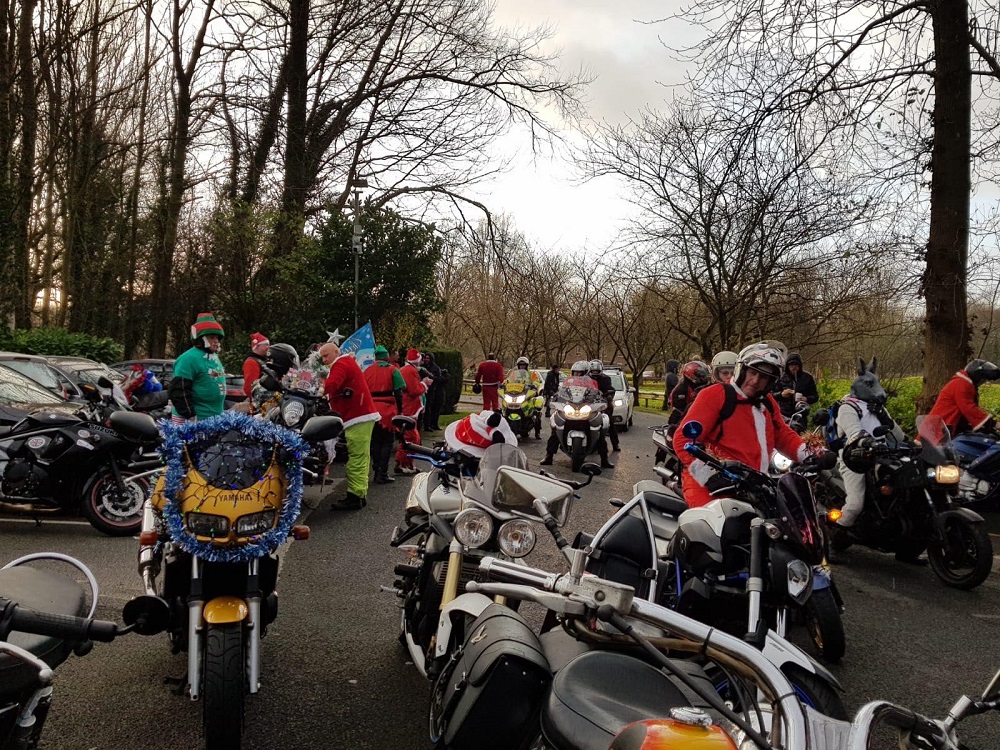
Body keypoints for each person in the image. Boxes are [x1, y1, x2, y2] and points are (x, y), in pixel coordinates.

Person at [673, 342, 813, 508]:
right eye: (753, 373)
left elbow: (782, 435)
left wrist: (812, 454)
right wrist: (710, 477)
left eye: (763, 377)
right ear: (742, 370)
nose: (755, 381)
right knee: (721, 529)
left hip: (753, 486)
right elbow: (683, 440)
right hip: (709, 485)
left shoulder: (767, 403)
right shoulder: (716, 395)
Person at [830, 358, 907, 545]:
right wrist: (867, 441)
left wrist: (883, 417)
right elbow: (855, 434)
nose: (877, 389)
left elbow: (899, 437)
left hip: (883, 457)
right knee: (855, 504)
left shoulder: (878, 408)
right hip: (855, 458)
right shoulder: (848, 407)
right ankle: (836, 539)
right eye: (871, 384)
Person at [320, 342, 379, 510]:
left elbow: (331, 385)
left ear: (336, 352)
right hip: (359, 416)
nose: (324, 360)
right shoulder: (346, 362)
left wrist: (314, 390)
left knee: (357, 458)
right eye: (322, 357)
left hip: (357, 417)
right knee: (360, 456)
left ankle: (355, 497)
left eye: (326, 355)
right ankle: (359, 494)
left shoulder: (341, 363)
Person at [540, 360, 614, 469]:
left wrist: (602, 399)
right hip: (571, 408)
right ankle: (549, 456)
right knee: (556, 429)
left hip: (586, 409)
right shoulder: (568, 382)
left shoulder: (592, 383)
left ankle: (604, 459)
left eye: (580, 373)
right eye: (575, 372)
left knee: (600, 431)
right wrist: (555, 396)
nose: (577, 375)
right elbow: (562, 392)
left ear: (586, 372)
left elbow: (597, 393)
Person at [169, 312, 227, 424]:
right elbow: (179, 390)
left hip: (214, 418)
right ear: (201, 338)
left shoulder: (214, 357)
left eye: (217, 338)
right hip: (193, 420)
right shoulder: (188, 358)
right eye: (211, 337)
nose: (216, 341)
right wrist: (190, 415)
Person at [364, 345, 405, 484]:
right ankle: (383, 472)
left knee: (375, 441)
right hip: (387, 408)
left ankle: (376, 471)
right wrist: (401, 411)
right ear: (386, 356)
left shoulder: (367, 371)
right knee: (387, 441)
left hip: (371, 409)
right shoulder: (393, 370)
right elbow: (399, 392)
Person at [928, 359, 1000, 436]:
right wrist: (993, 423)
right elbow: (968, 408)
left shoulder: (962, 383)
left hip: (946, 429)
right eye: (983, 379)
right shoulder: (961, 384)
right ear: (977, 376)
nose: (983, 382)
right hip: (940, 432)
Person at [395, 348, 433, 475]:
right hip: (409, 409)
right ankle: (402, 463)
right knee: (410, 437)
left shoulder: (405, 370)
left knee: (412, 437)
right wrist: (425, 384)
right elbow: (414, 390)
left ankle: (409, 463)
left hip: (409, 408)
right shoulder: (410, 371)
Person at [773, 352, 819, 419]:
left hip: (801, 413)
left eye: (796, 365)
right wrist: (781, 394)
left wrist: (806, 399)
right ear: (787, 366)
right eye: (791, 365)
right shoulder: (780, 377)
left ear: (800, 366)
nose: (794, 367)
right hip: (783, 414)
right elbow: (770, 394)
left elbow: (815, 396)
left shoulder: (807, 378)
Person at [666, 360, 711, 428]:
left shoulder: (703, 386)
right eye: (702, 376)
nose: (704, 379)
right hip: (686, 421)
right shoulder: (681, 389)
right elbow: (679, 411)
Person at [589, 359, 620, 452]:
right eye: (593, 371)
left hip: (602, 402)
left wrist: (609, 397)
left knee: (609, 421)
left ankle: (615, 444)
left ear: (600, 370)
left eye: (596, 371)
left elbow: (610, 389)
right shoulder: (586, 378)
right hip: (589, 403)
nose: (595, 373)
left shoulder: (605, 378)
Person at [420, 352, 444, 432]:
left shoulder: (436, 368)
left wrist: (432, 379)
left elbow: (439, 378)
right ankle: (422, 424)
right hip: (422, 389)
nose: (427, 360)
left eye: (428, 358)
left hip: (431, 390)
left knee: (429, 407)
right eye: (426, 358)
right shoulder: (422, 367)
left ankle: (428, 424)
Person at [242, 332, 270, 398]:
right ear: (257, 346)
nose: (269, 347)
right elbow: (250, 388)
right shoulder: (251, 362)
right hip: (261, 403)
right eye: (266, 345)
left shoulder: (264, 361)